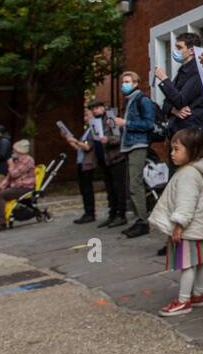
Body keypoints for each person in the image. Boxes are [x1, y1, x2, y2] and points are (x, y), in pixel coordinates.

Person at [150, 127, 203, 316]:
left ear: (191, 150)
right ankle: (198, 293)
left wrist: (178, 226)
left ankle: (183, 300)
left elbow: (186, 204)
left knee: (186, 264)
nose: (172, 153)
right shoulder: (198, 171)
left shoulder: (187, 174)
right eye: (171, 149)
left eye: (176, 149)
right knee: (201, 261)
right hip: (200, 227)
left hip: (188, 229)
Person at [114, 70, 158, 238]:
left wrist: (126, 123)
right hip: (129, 145)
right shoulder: (129, 101)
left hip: (138, 145)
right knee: (132, 185)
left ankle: (142, 222)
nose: (124, 84)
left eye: (127, 81)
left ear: (135, 83)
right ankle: (138, 220)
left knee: (135, 184)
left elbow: (149, 124)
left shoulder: (142, 100)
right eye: (123, 81)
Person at [154, 32, 203, 139]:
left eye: (179, 47)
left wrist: (164, 79)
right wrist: (173, 110)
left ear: (191, 50)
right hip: (177, 130)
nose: (175, 51)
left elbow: (180, 100)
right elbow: (166, 103)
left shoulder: (197, 72)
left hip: (190, 131)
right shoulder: (182, 71)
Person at [0, 139, 36, 234]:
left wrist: (10, 165)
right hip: (15, 187)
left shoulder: (28, 160)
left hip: (24, 188)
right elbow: (9, 177)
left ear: (20, 151)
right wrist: (0, 187)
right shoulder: (16, 160)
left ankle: (1, 223)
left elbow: (14, 174)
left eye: (14, 151)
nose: (13, 152)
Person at [92, 100, 130, 228]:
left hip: (116, 158)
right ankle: (112, 214)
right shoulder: (96, 122)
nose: (94, 111)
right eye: (93, 109)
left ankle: (121, 215)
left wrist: (108, 139)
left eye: (97, 108)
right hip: (104, 160)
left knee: (119, 188)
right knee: (110, 189)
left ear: (103, 108)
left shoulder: (110, 118)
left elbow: (118, 138)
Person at [63, 106, 99, 224]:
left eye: (87, 115)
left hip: (87, 163)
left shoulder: (94, 129)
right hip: (81, 161)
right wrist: (69, 140)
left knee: (87, 188)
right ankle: (87, 211)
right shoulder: (87, 130)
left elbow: (87, 147)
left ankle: (90, 213)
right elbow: (78, 148)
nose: (85, 118)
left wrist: (76, 141)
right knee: (83, 189)